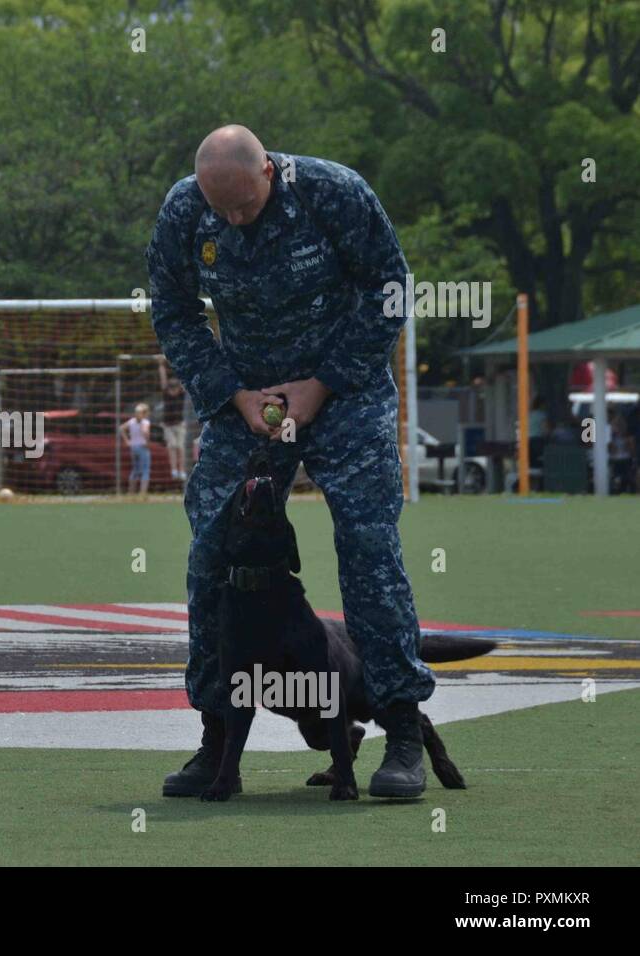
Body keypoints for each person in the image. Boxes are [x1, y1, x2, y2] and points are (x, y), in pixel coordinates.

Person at [147, 124, 435, 798]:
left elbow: (389, 287)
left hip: (346, 395)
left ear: (269, 173)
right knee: (212, 554)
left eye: (244, 207)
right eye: (221, 210)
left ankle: (402, 733)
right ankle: (218, 738)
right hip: (246, 400)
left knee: (367, 548)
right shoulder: (185, 212)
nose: (233, 221)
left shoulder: (335, 193)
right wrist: (229, 393)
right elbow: (173, 308)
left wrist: (324, 382)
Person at [158, 357, 188, 482]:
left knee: (180, 447)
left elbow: (184, 378)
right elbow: (163, 380)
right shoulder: (166, 393)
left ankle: (181, 469)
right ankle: (174, 469)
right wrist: (161, 365)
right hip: (168, 425)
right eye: (171, 389)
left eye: (175, 389)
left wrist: (181, 362)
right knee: (172, 445)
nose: (173, 391)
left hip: (179, 424)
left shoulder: (181, 394)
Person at [121, 403, 152, 496]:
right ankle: (142, 493)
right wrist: (147, 441)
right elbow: (145, 432)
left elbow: (121, 428)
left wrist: (127, 440)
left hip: (133, 447)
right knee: (145, 470)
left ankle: (131, 491)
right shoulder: (145, 422)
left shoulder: (132, 421)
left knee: (135, 469)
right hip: (142, 447)